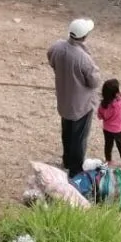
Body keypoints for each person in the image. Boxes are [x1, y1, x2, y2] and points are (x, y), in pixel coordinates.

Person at [46, 18, 101, 177]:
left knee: (67, 132)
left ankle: (67, 160)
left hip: (64, 99)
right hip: (81, 105)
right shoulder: (83, 58)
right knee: (79, 137)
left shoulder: (57, 47)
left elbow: (50, 57)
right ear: (84, 36)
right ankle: (75, 169)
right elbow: (94, 81)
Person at [97, 78, 121, 171]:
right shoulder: (120, 103)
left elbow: (99, 116)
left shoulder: (103, 104)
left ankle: (108, 160)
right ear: (116, 93)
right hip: (119, 129)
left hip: (107, 129)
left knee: (108, 145)